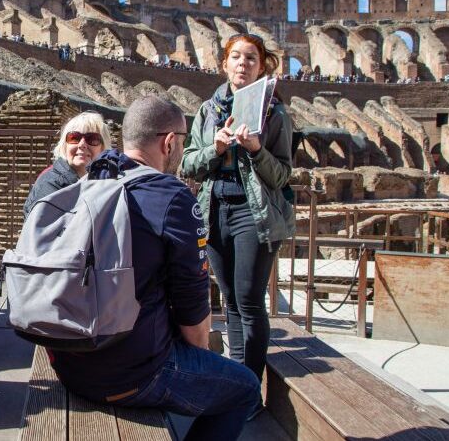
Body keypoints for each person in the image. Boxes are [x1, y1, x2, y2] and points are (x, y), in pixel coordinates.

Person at [48, 96, 259, 440]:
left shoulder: (91, 180)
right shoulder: (171, 196)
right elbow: (193, 311)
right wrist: (202, 358)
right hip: (129, 376)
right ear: (170, 142)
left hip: (69, 362)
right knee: (244, 388)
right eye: (185, 140)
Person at [181, 34, 295, 391]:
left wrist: (256, 149)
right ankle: (237, 384)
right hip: (215, 211)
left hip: (253, 214)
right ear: (224, 64)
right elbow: (188, 164)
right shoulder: (208, 110)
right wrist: (214, 149)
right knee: (229, 302)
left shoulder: (275, 113)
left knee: (249, 301)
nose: (242, 63)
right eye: (235, 57)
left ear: (262, 66)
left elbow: (282, 175)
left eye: (250, 58)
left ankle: (248, 387)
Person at [23, 111, 112, 217]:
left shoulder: (104, 182)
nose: (82, 144)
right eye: (74, 138)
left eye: (92, 139)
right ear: (64, 146)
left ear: (103, 148)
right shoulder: (51, 185)